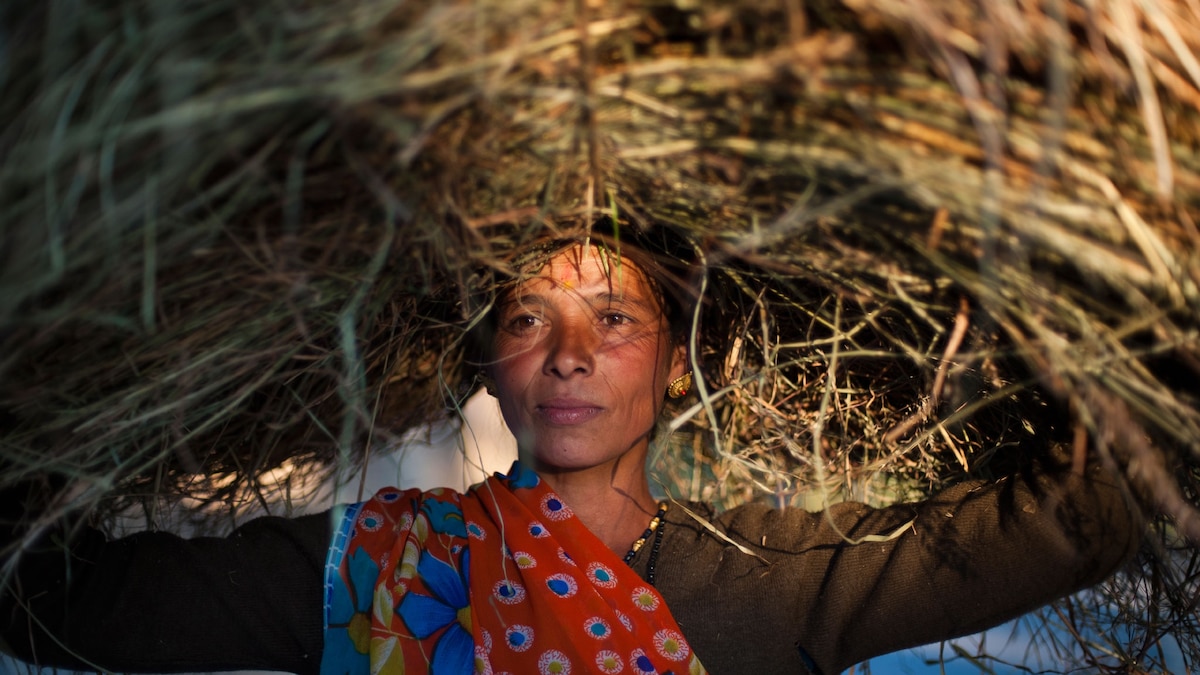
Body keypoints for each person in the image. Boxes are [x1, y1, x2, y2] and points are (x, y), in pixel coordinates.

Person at [0, 226, 1143, 675]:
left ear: (678, 367)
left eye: (617, 318)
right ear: (492, 365)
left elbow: (1085, 512)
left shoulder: (780, 581)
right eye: (527, 316)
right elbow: (74, 608)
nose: (569, 352)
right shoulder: (379, 570)